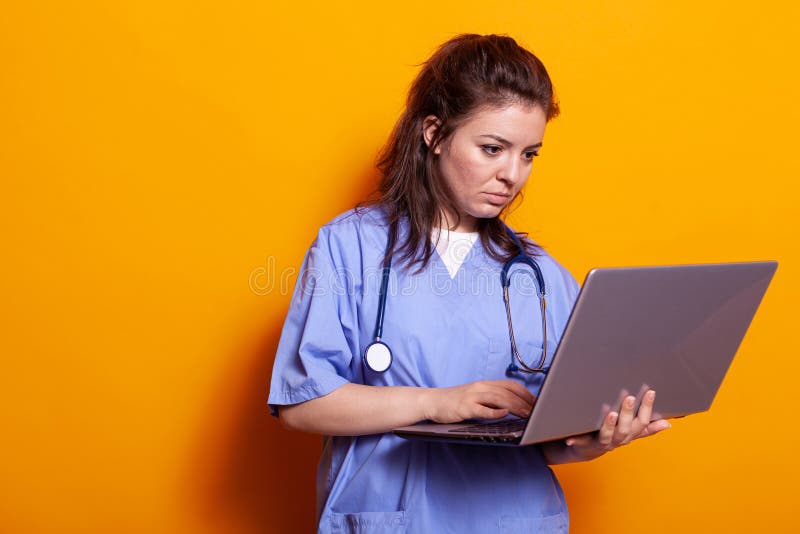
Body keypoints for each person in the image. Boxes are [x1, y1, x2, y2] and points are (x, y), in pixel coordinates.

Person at [268, 33, 670, 533]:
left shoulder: (542, 276)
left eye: (529, 154)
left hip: (516, 518)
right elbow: (302, 404)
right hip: (393, 517)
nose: (512, 175)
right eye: (493, 148)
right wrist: (437, 402)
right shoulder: (349, 248)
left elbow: (548, 439)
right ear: (434, 134)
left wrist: (595, 440)